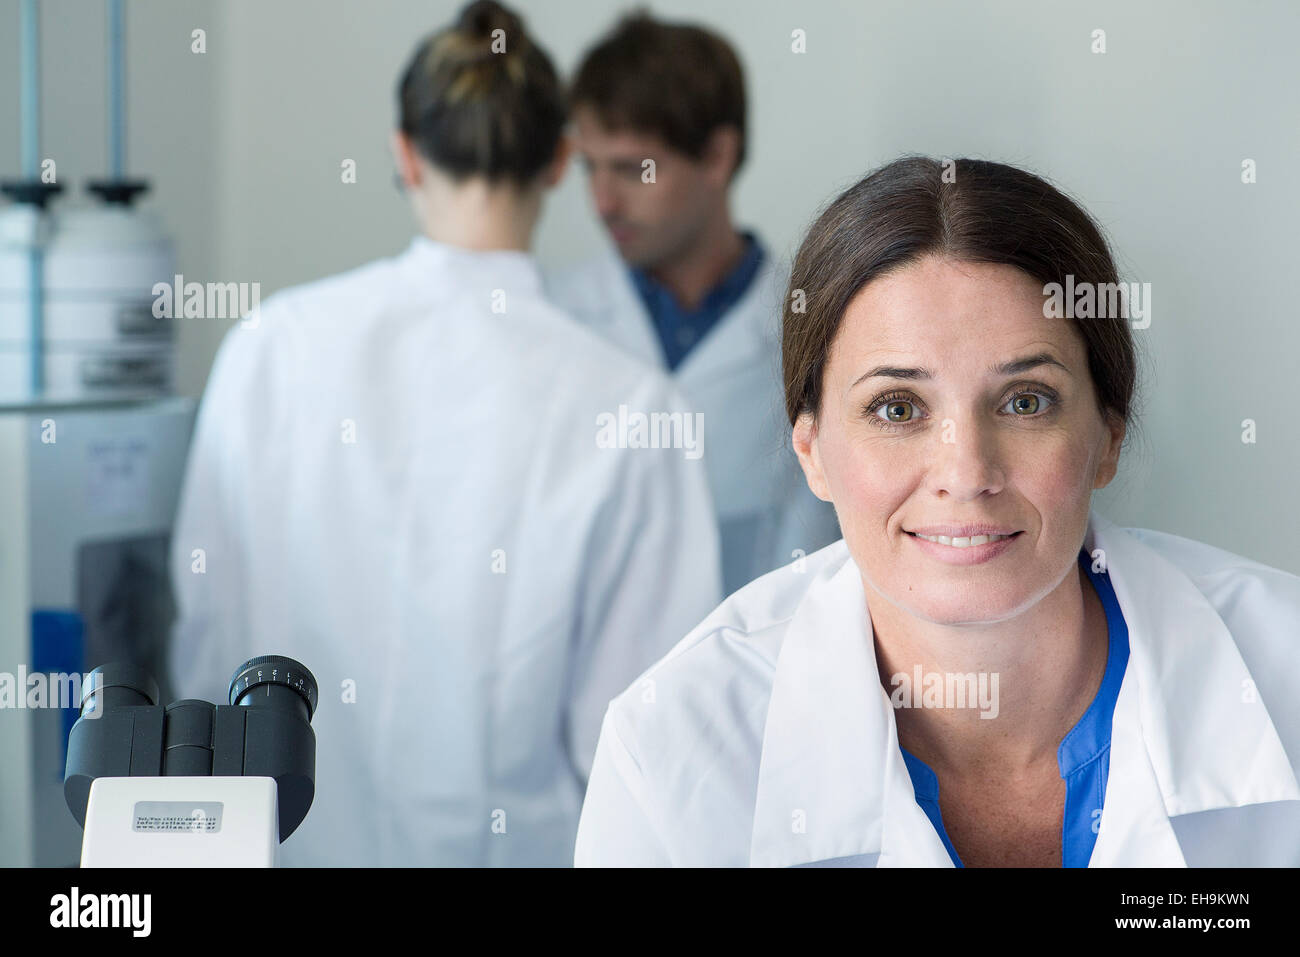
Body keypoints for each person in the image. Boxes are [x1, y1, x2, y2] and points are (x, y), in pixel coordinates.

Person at [575, 156, 1300, 867]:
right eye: (898, 407)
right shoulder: (674, 751)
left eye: (1025, 401)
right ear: (812, 452)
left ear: (1108, 434)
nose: (966, 472)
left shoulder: (1282, 668)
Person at [168, 0, 721, 867]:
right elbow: (650, 739)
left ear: (404, 153)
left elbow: (207, 649)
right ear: (559, 161)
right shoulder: (634, 406)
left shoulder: (273, 346)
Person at [546, 12, 840, 595]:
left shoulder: (814, 327)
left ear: (717, 157)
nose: (602, 201)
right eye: (590, 168)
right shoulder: (552, 319)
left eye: (632, 169)